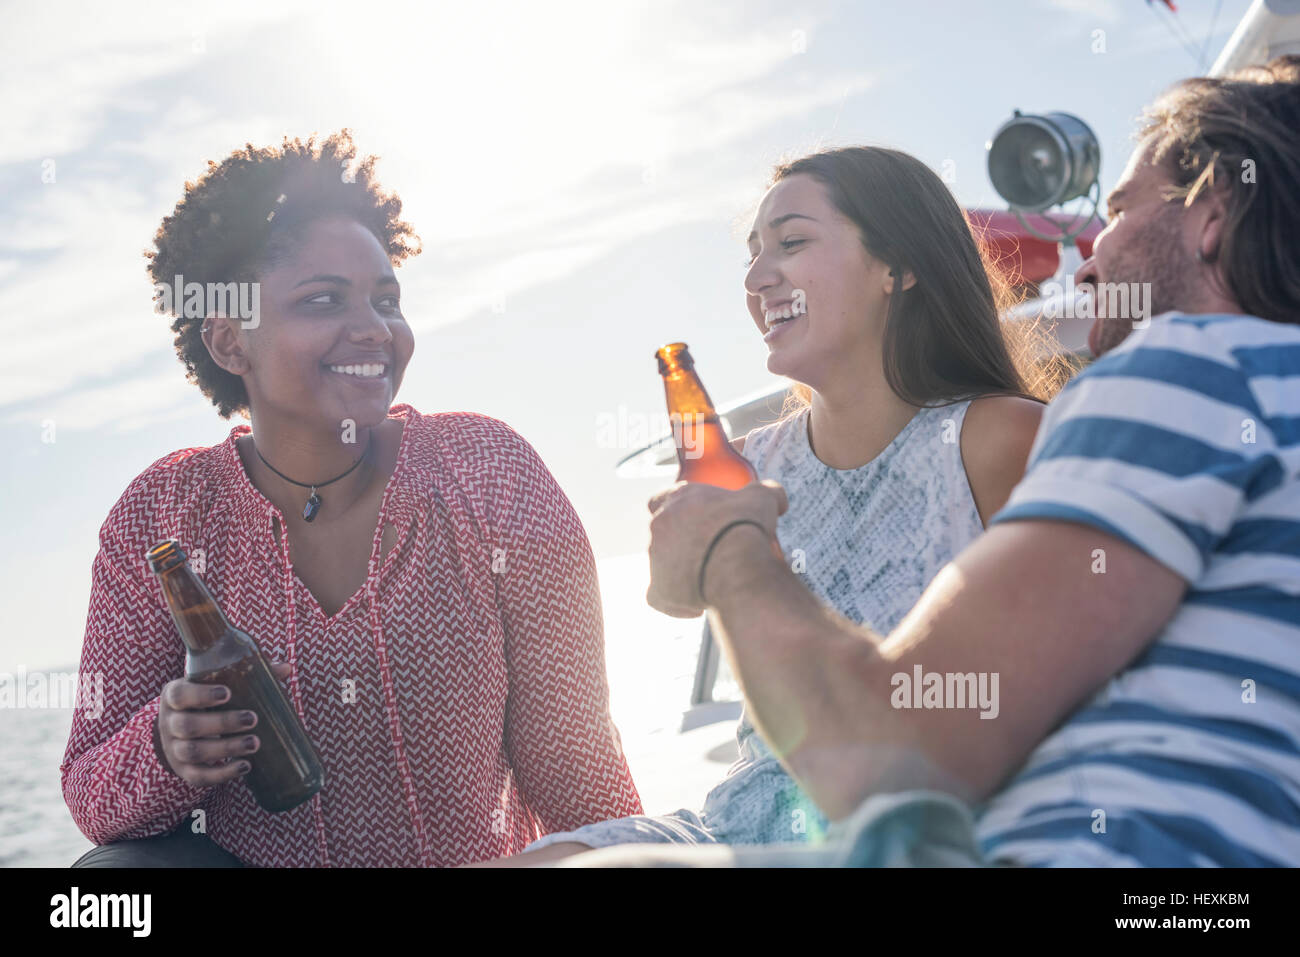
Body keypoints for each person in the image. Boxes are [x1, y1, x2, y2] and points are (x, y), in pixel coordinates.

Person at [553, 54, 1300, 868]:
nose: (1089, 260)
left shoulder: (1190, 372)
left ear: (1212, 212)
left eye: (1117, 211)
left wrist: (728, 544)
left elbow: (891, 761)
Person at [62, 131, 642, 868]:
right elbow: (88, 787)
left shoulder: (489, 473)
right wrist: (166, 745)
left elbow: (578, 767)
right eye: (323, 299)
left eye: (386, 298)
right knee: (102, 888)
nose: (374, 327)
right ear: (230, 342)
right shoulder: (159, 516)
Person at [479, 146, 1055, 866]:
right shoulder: (748, 462)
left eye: (792, 242)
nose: (756, 278)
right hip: (739, 820)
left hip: (916, 820)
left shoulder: (999, 437)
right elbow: (673, 598)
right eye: (753, 255)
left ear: (897, 268)